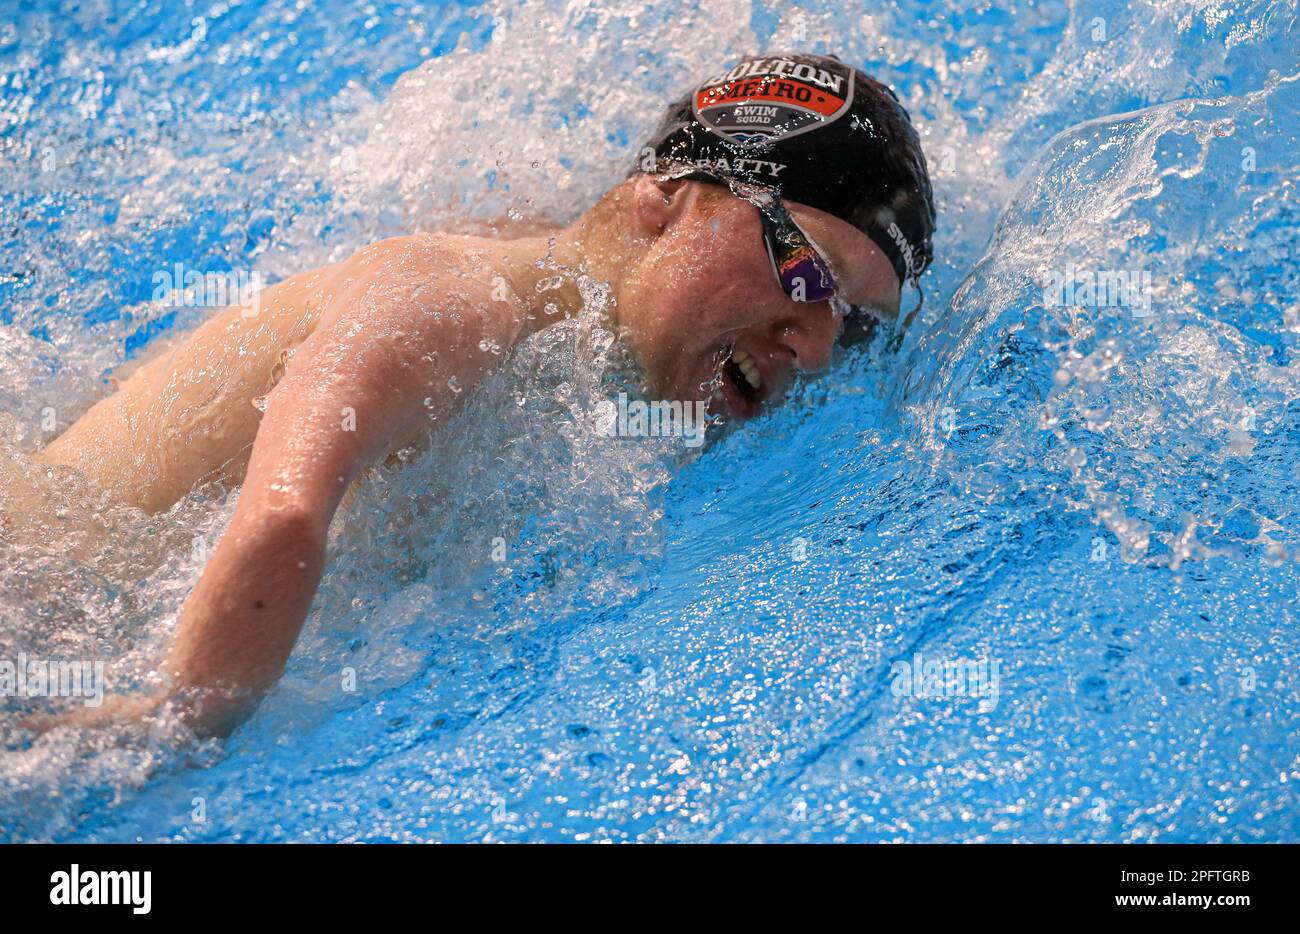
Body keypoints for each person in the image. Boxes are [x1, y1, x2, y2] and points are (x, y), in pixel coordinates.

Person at [28, 52, 936, 736]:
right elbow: (282, 515)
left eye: (856, 325)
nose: (814, 344)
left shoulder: (588, 316)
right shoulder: (459, 300)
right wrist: (170, 723)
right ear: (663, 195)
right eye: (802, 266)